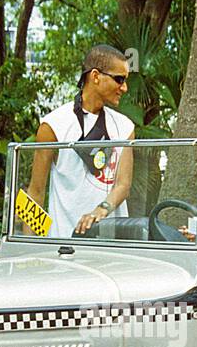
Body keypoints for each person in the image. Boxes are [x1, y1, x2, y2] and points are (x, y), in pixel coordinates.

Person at [26, 44, 135, 238]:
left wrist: (100, 211)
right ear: (95, 76)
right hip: (64, 246)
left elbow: (123, 185)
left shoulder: (125, 127)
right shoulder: (53, 125)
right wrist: (28, 250)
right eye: (119, 80)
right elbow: (35, 192)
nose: (124, 88)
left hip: (112, 247)